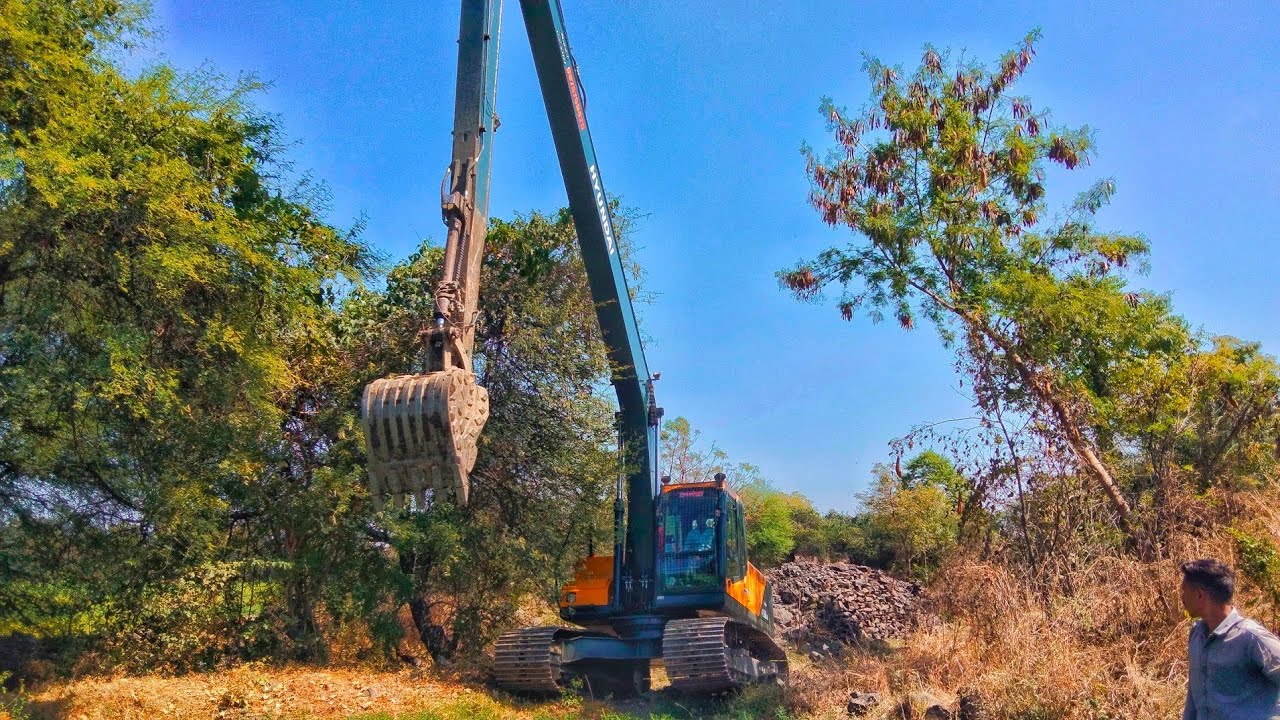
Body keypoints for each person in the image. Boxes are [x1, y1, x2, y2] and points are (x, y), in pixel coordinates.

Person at [1180, 558, 1280, 719]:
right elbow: (1194, 696)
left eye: (1184, 591)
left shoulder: (1252, 638)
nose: (1182, 598)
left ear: (1200, 595)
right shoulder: (1197, 635)